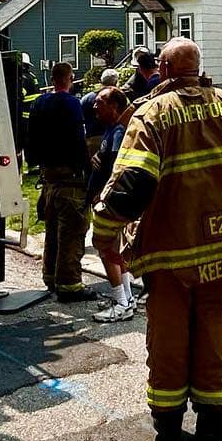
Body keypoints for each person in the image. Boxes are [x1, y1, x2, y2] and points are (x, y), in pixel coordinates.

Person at [91, 38, 222, 441]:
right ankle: (216, 416)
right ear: (198, 68)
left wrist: (105, 233)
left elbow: (132, 184)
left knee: (168, 330)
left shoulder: (151, 114)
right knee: (213, 325)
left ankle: (167, 417)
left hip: (169, 250)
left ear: (163, 70)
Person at [25, 61, 95, 301]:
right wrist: (86, 168)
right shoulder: (71, 104)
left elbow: (31, 135)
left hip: (48, 178)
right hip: (70, 177)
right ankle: (70, 285)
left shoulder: (39, 102)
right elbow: (77, 138)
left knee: (52, 230)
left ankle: (51, 276)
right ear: (70, 78)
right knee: (72, 232)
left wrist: (34, 163)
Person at [86, 87, 140, 323]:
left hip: (109, 201)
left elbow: (117, 169)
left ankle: (121, 302)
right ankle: (127, 296)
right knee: (115, 249)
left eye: (100, 102)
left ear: (115, 106)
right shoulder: (111, 129)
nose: (94, 106)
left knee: (106, 248)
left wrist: (103, 195)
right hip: (106, 199)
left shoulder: (119, 132)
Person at [82, 67, 120, 163]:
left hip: (91, 140)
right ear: (116, 82)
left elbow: (80, 119)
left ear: (101, 81)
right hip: (112, 139)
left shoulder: (87, 98)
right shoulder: (119, 99)